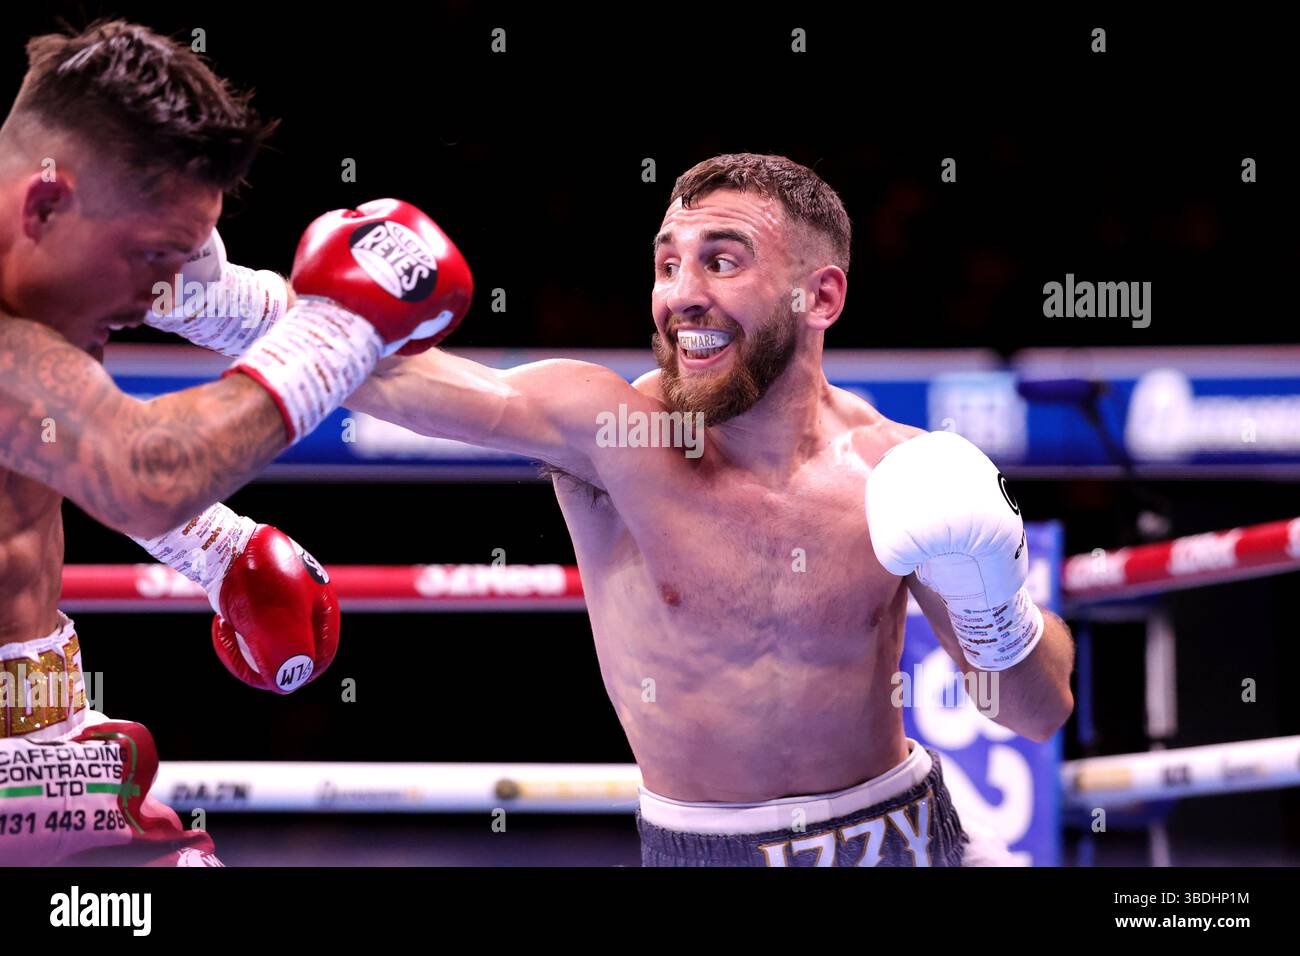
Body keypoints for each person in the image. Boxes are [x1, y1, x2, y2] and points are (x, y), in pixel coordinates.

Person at [371, 155, 1074, 865]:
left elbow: (1035, 712)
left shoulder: (894, 470)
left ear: (820, 299)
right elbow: (405, 384)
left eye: (722, 262)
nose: (682, 295)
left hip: (907, 839)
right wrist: (266, 304)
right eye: (668, 265)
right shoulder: (612, 435)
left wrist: (996, 604)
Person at [0, 20, 466, 864]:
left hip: (50, 737)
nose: (156, 295)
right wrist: (341, 326)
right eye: (151, 257)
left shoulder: (72, 266)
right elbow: (138, 470)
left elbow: (62, 435)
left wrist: (219, 549)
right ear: (45, 202)